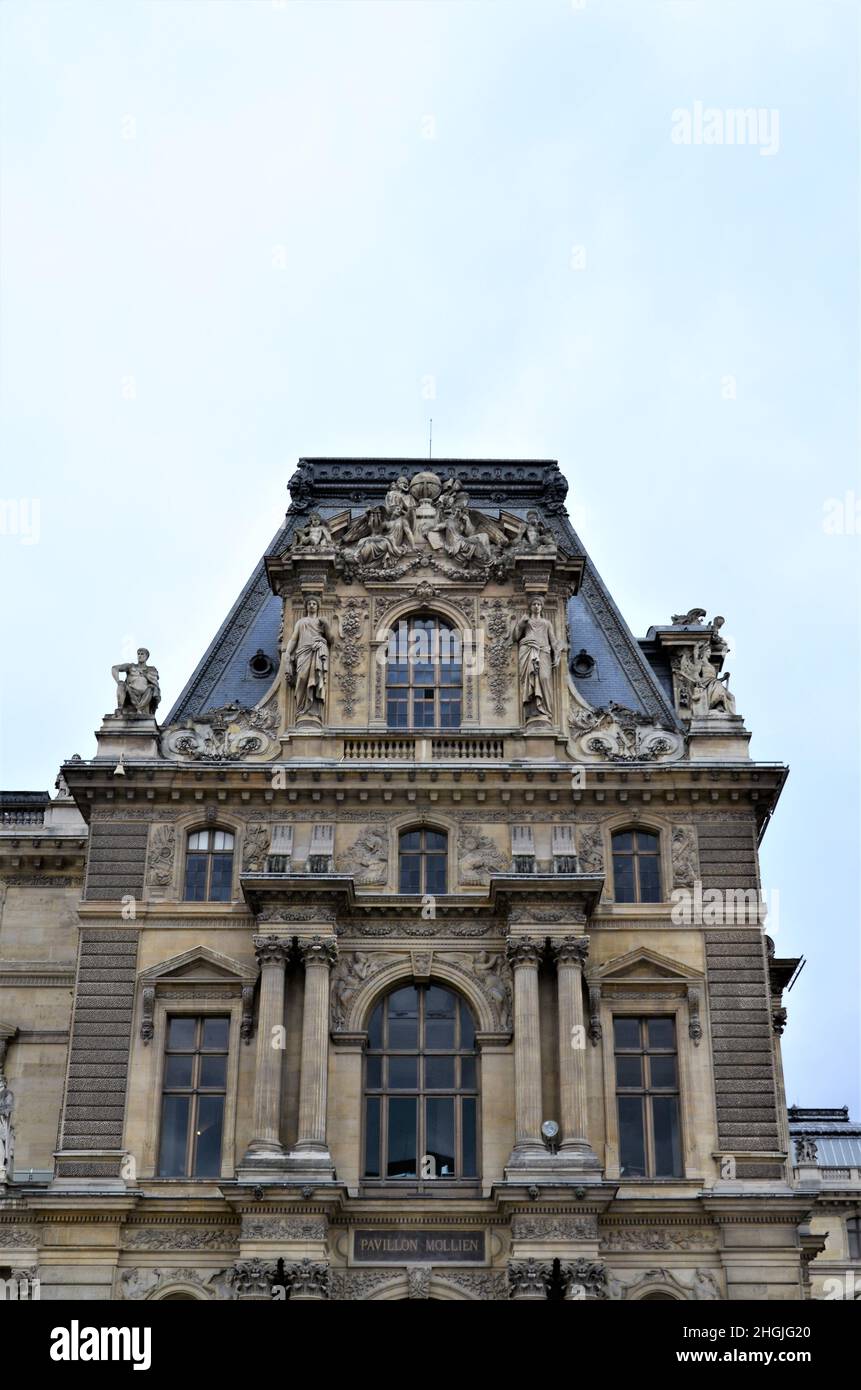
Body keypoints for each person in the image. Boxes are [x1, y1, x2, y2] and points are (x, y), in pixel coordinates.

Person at [512, 599, 561, 721]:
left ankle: (545, 709)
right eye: (534, 604)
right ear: (530, 606)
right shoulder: (526, 622)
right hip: (529, 652)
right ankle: (534, 710)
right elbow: (516, 637)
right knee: (531, 679)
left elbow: (553, 640)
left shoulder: (547, 623)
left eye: (539, 604)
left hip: (544, 652)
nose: (536, 606)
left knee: (544, 678)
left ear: (541, 607)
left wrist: (557, 654)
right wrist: (521, 624)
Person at [285, 598, 332, 719]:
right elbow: (294, 639)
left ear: (317, 606)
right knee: (301, 677)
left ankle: (312, 709)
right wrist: (288, 652)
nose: (312, 605)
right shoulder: (301, 622)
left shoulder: (321, 622)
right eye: (310, 604)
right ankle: (301, 708)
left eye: (314, 604)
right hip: (303, 653)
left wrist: (326, 626)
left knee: (315, 679)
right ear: (306, 607)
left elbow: (331, 640)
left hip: (316, 651)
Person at [113, 648, 161, 717]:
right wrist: (118, 681)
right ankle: (120, 709)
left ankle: (140, 709)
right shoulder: (131, 666)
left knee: (152, 688)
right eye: (138, 654)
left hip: (146, 694)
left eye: (142, 654)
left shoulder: (151, 669)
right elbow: (115, 668)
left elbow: (155, 683)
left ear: (146, 656)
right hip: (130, 691)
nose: (140, 656)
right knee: (121, 685)